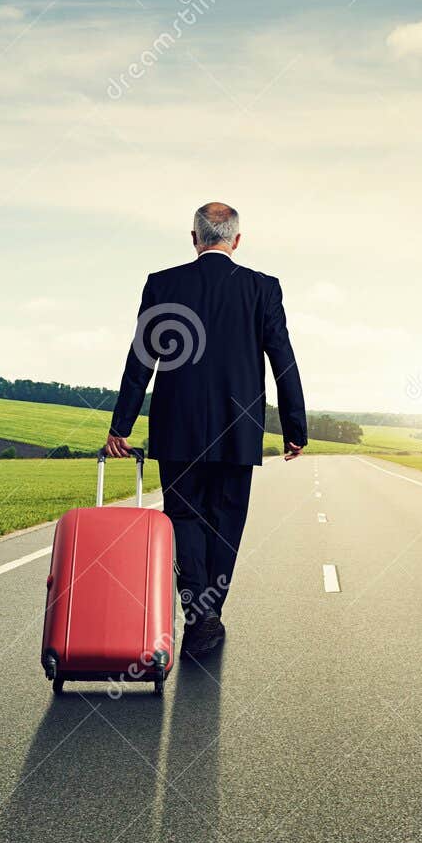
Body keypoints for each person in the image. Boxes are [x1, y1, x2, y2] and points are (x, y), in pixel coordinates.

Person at [105, 202, 306, 657]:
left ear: (194, 238)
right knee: (227, 521)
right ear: (236, 240)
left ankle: (199, 612)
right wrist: (294, 426)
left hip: (178, 428)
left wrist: (121, 425)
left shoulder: (163, 284)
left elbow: (141, 361)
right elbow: (283, 360)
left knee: (185, 518)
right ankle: (206, 614)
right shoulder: (262, 289)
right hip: (239, 428)